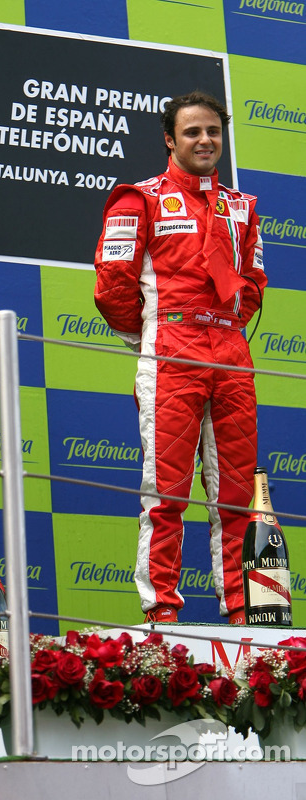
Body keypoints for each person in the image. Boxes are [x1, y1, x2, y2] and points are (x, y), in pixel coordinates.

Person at [94, 91, 267, 625]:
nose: (205, 141)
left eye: (213, 131)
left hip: (232, 353)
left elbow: (254, 285)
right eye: (192, 132)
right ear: (171, 139)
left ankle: (243, 614)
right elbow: (112, 288)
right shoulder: (138, 199)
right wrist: (152, 335)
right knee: (166, 493)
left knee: (237, 497)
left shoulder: (242, 206)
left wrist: (225, 328)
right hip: (172, 351)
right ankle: (161, 615)